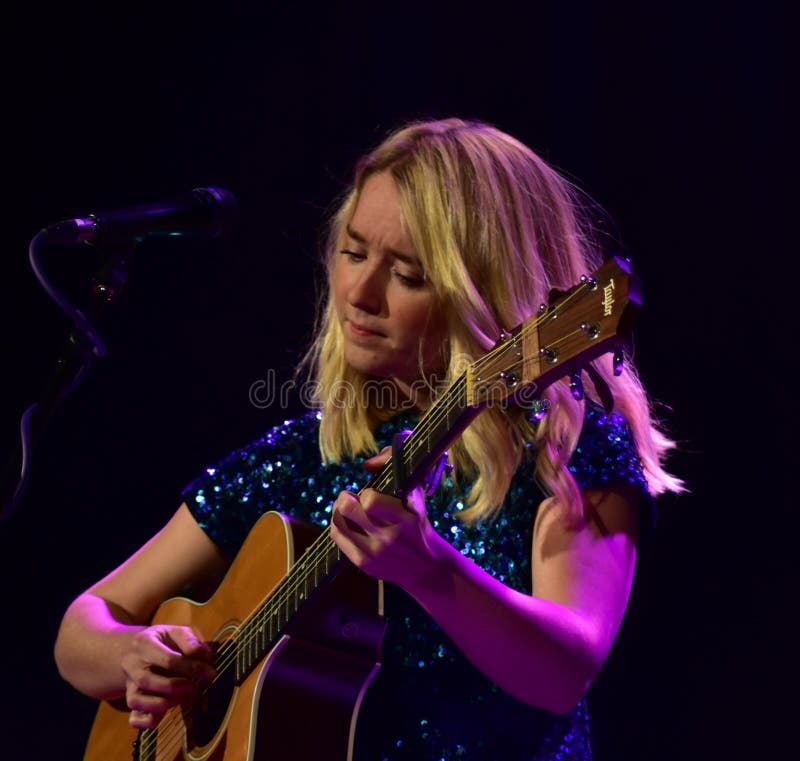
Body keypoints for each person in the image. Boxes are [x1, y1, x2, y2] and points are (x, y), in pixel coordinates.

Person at [54, 117, 683, 760]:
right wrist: (131, 656)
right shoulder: (307, 451)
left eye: (407, 275)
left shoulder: (567, 454)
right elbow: (84, 625)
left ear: (488, 292)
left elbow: (564, 671)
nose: (360, 292)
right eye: (353, 252)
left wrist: (430, 568)